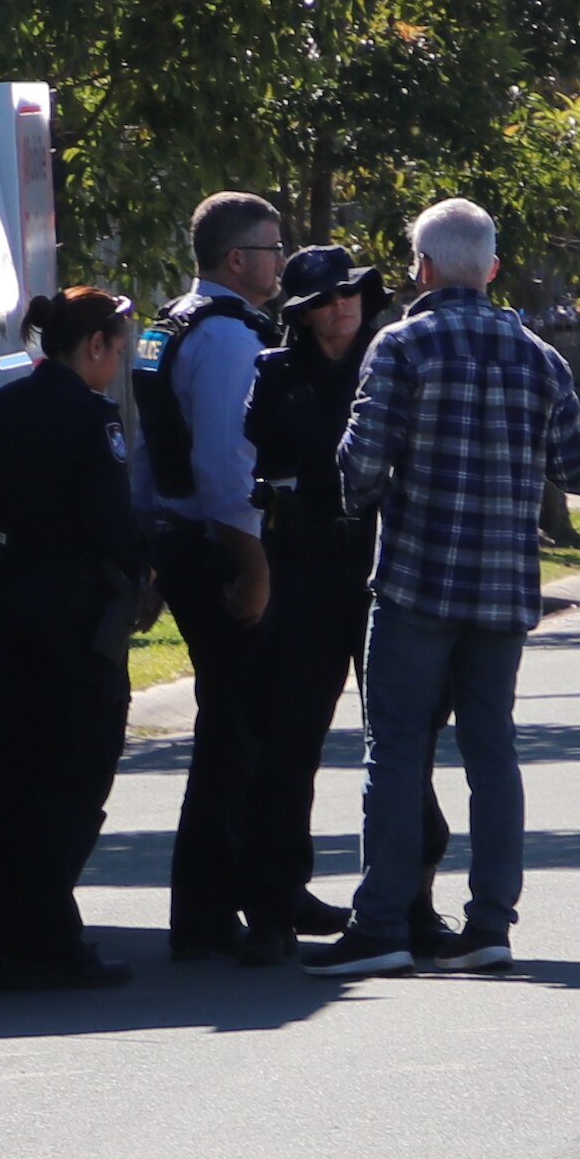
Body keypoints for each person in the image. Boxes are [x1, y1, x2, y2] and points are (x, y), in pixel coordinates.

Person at [312, 198, 580, 976]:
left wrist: (356, 499)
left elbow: (362, 465)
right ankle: (491, 921)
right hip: (503, 591)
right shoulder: (540, 356)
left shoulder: (400, 347)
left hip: (415, 583)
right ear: (493, 269)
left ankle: (382, 924)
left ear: (423, 268)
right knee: (491, 750)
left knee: (396, 751)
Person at [0, 285, 154, 991]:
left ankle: (12, 940)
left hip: (20, 602)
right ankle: (52, 939)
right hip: (77, 614)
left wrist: (25, 519)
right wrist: (149, 568)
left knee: (22, 778)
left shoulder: (10, 403)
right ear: (94, 346)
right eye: (116, 349)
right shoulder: (93, 418)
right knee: (77, 773)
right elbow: (112, 522)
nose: (117, 362)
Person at [241, 244, 451, 954]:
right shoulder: (277, 372)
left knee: (403, 739)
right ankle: (272, 907)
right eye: (327, 299)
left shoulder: (393, 357)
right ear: (302, 314)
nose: (343, 306)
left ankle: (410, 901)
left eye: (352, 292)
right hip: (305, 573)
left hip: (386, 565)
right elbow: (262, 457)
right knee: (289, 740)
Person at [138, 190, 284, 963]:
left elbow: (147, 446)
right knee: (237, 733)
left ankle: (246, 893)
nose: (280, 261)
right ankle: (211, 908)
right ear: (236, 259)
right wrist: (253, 572)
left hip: (182, 538)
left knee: (231, 728)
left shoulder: (165, 324)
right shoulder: (229, 338)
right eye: (271, 248)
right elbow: (226, 467)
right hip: (222, 548)